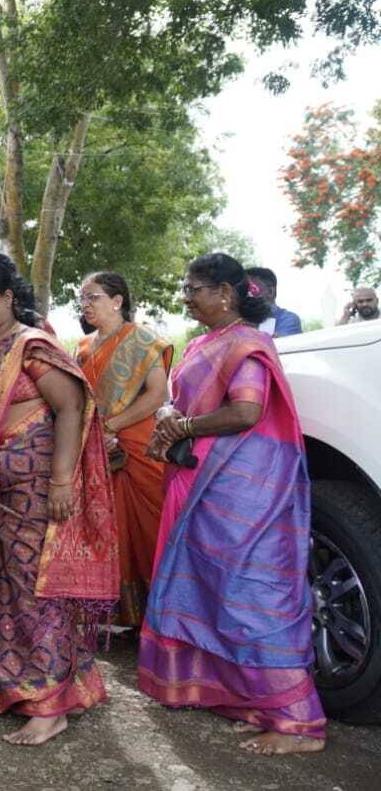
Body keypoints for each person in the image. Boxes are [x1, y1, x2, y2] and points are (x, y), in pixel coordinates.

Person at [0, 257, 117, 746]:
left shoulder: (32, 348)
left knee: (36, 593)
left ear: (9, 298)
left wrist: (60, 483)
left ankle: (51, 707)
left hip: (33, 492)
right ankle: (12, 687)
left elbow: (71, 406)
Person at [139, 253, 326, 756]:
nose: (185, 296)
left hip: (244, 492)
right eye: (185, 287)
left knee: (253, 596)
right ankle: (253, 701)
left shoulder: (247, 343)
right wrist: (173, 415)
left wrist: (186, 426)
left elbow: (246, 410)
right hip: (201, 481)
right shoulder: (203, 343)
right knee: (212, 590)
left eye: (194, 287)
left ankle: (298, 723)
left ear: (225, 292)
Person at [73, 271, 172, 627]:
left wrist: (112, 426)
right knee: (108, 527)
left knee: (153, 524)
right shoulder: (83, 348)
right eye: (82, 298)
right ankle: (125, 614)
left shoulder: (143, 340)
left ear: (117, 301)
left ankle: (164, 614)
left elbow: (157, 394)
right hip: (97, 447)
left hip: (140, 444)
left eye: (93, 297)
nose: (86, 305)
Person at [244, 267, 302, 337]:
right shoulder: (240, 320)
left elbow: (275, 346)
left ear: (270, 291)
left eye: (251, 289)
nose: (246, 294)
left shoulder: (288, 319)